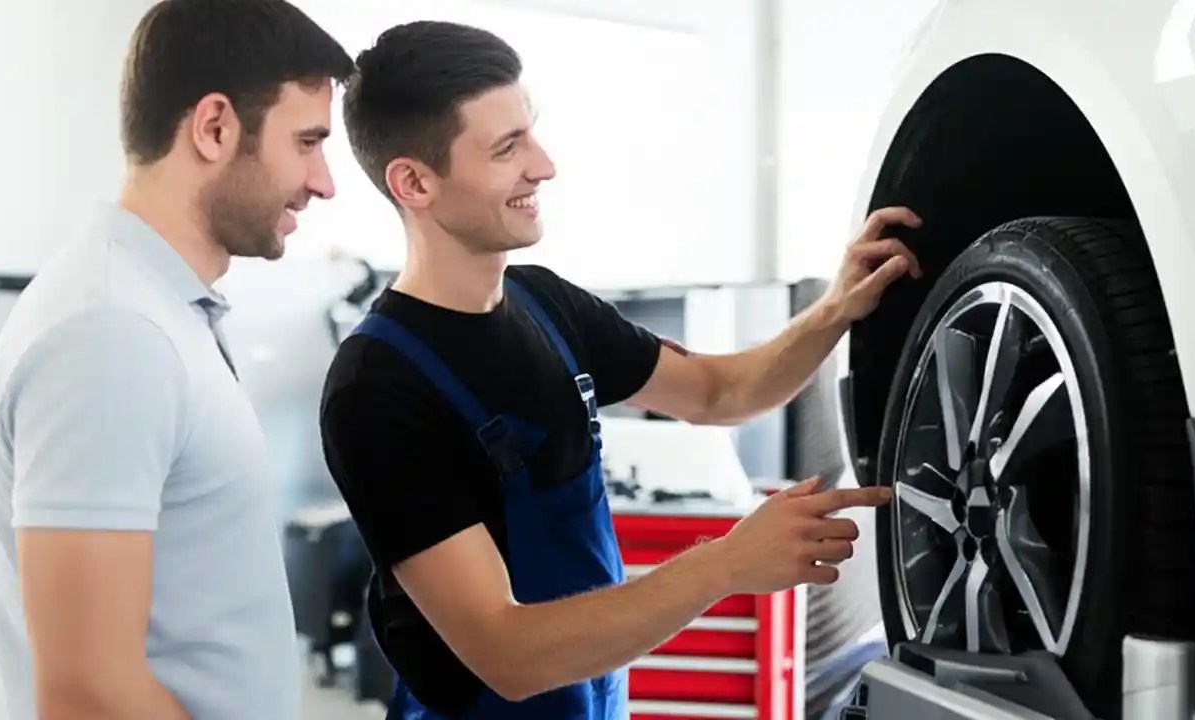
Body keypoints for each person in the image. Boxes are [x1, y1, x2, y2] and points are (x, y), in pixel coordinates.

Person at [319, 20, 922, 720]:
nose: (543, 166)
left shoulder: (546, 305)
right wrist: (727, 563)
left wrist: (835, 309)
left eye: (532, 133)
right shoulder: (379, 388)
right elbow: (509, 654)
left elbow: (719, 390)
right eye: (507, 148)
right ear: (414, 182)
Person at [0, 2, 354, 718]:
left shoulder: (160, 312)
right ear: (214, 128)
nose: (324, 180)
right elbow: (90, 693)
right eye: (306, 142)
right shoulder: (112, 333)